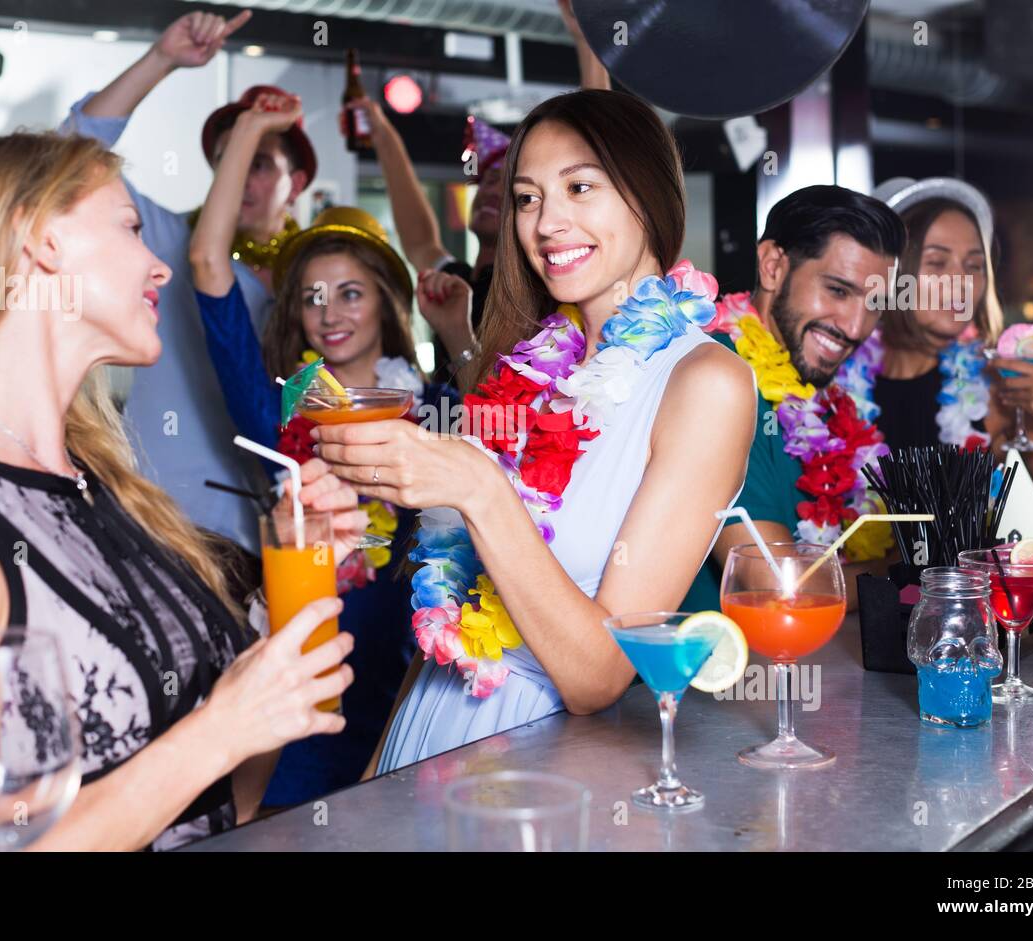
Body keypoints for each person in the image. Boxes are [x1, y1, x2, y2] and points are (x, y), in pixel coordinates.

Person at [0, 131, 364, 851]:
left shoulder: (116, 495)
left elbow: (221, 808)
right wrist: (219, 730)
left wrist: (287, 595)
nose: (160, 267)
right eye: (131, 226)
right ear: (40, 241)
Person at [317, 89, 756, 773]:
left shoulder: (706, 382)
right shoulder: (524, 367)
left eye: (580, 187)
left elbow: (600, 675)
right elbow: (453, 604)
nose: (548, 222)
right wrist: (377, 777)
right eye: (526, 198)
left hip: (537, 767)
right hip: (423, 739)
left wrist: (480, 488)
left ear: (648, 197)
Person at [188, 94, 459, 803]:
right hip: (301, 711)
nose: (329, 313)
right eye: (311, 296)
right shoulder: (279, 409)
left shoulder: (434, 408)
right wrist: (249, 131)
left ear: (385, 301)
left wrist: (457, 328)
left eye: (349, 293)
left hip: (410, 706)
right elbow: (207, 265)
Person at [60, 9, 313, 552]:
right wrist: (162, 59)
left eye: (259, 161)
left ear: (298, 181)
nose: (241, 175)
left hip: (287, 531)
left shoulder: (320, 276)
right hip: (162, 512)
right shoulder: (171, 242)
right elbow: (71, 152)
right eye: (228, 159)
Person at [847, 176, 1033, 569]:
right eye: (937, 262)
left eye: (974, 265)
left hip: (958, 618)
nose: (961, 283)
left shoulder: (994, 389)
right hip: (840, 622)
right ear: (890, 274)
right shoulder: (833, 383)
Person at [350, 0, 612, 387]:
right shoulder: (457, 280)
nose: (493, 188)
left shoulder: (538, 287)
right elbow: (420, 239)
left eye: (514, 191)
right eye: (487, 180)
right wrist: (383, 135)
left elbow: (601, 150)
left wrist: (585, 41)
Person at [682, 185, 908, 614]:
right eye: (838, 291)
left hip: (795, 666)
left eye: (875, 302)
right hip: (706, 674)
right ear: (772, 266)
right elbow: (772, 582)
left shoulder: (830, 400)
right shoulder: (718, 375)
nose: (857, 327)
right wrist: (905, 572)